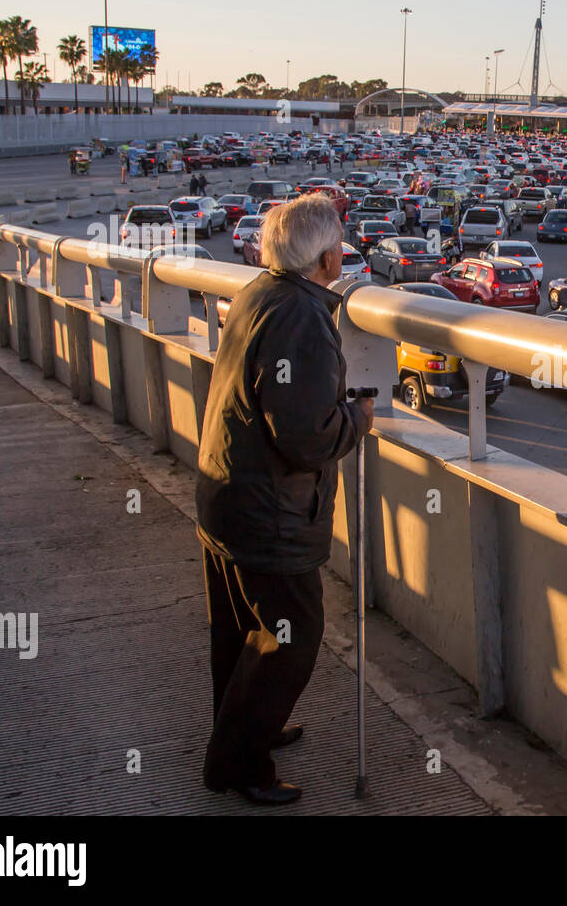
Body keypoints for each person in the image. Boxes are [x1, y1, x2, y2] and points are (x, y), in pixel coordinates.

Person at [196, 194, 374, 805]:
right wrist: (359, 418)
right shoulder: (300, 317)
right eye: (340, 245)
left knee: (241, 627)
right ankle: (239, 763)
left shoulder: (258, 292)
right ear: (326, 258)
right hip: (266, 515)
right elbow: (305, 436)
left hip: (225, 494)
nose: (344, 252)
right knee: (291, 635)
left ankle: (245, 730)